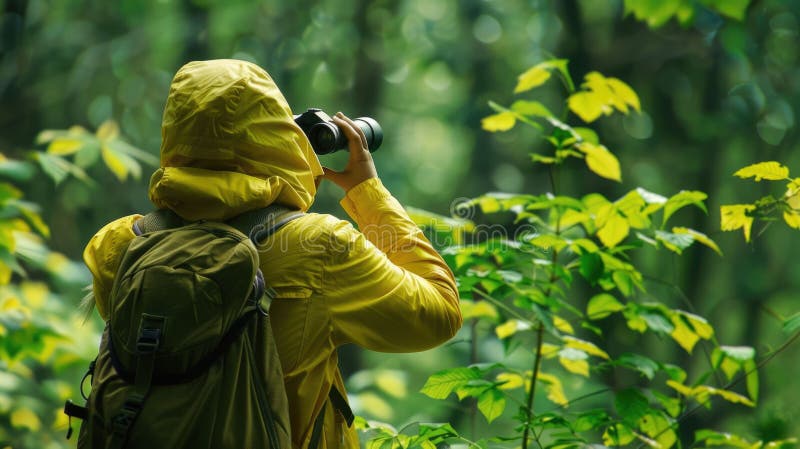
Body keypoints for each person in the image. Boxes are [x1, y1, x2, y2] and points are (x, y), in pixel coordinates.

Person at [82, 59, 462, 448]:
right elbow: (440, 313)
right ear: (276, 136)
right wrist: (367, 190)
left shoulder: (119, 244)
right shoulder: (319, 247)